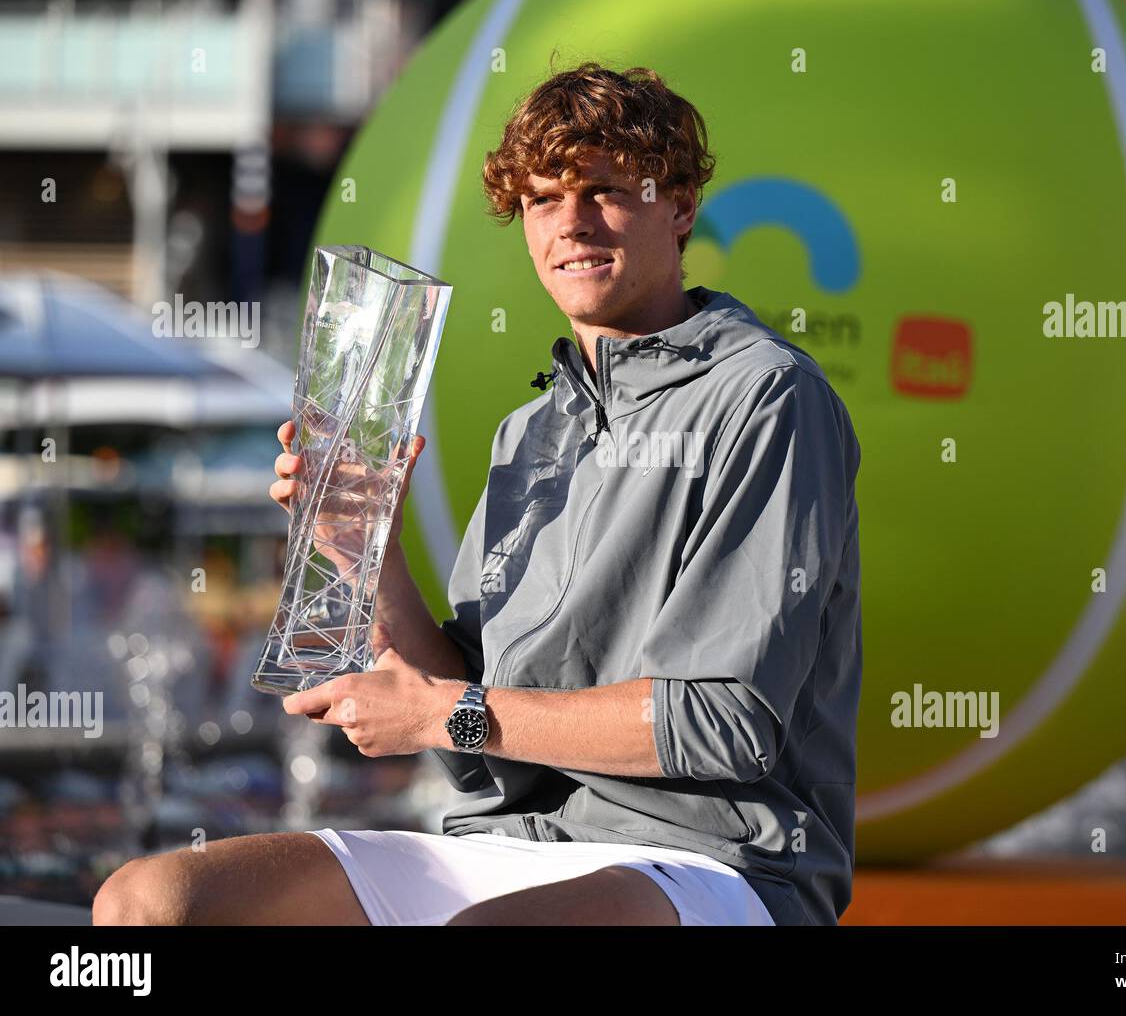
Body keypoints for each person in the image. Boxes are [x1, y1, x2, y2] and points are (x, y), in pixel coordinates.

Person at [93, 60, 862, 927]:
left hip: (716, 860)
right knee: (148, 902)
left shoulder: (767, 398)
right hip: (513, 843)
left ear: (679, 206)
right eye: (542, 199)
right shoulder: (530, 431)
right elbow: (472, 718)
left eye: (604, 190)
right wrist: (366, 555)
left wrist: (444, 715)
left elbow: (722, 723)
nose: (570, 222)